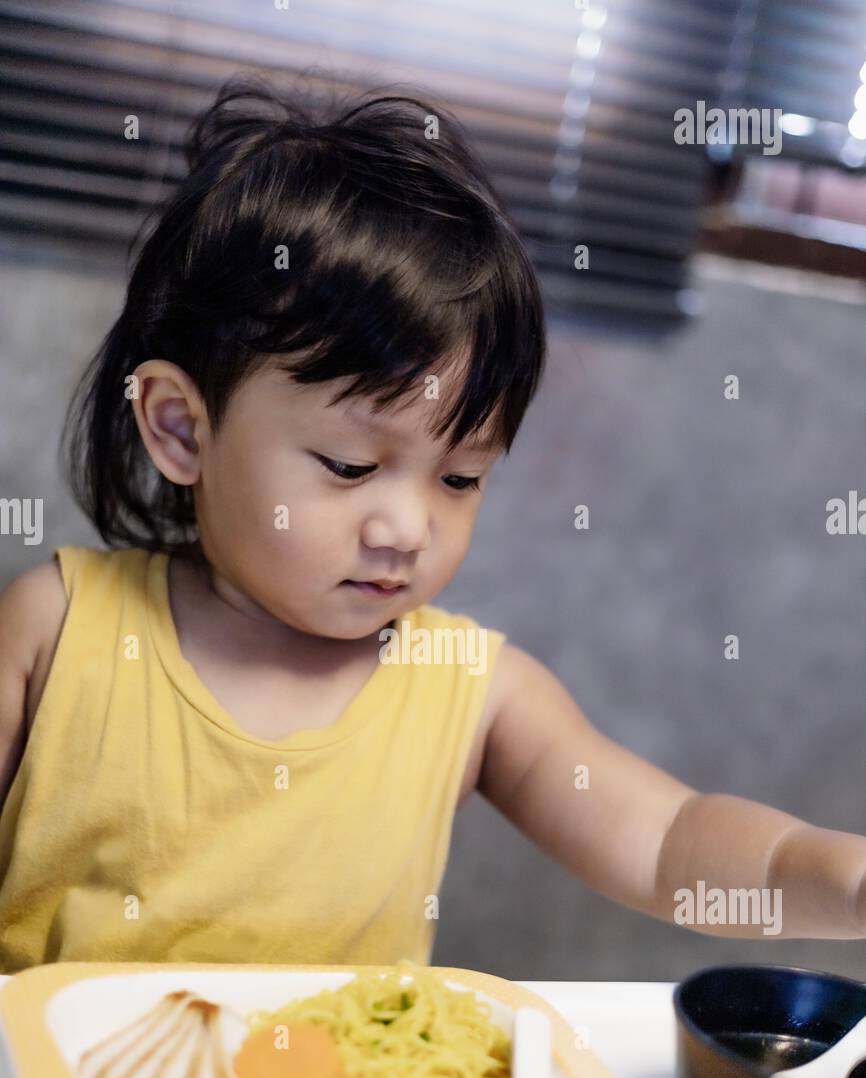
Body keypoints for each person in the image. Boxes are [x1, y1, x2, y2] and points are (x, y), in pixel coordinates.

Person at [0, 76, 862, 973]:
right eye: (349, 467)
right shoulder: (54, 633)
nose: (407, 526)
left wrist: (842, 880)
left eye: (459, 477)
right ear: (183, 427)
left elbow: (671, 842)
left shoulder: (475, 694)